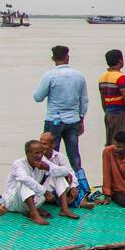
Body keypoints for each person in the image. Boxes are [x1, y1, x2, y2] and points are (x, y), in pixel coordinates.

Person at [33, 45, 88, 176]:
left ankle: (50, 183)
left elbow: (38, 97)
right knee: (74, 155)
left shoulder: (50, 76)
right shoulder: (79, 76)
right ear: (68, 57)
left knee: (49, 154)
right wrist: (81, 120)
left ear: (53, 58)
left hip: (54, 121)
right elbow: (84, 101)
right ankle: (81, 184)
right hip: (73, 120)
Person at [3, 139, 79, 224]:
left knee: (58, 175)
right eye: (36, 153)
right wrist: (45, 191)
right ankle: (34, 215)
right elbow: (25, 179)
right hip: (13, 203)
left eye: (41, 152)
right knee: (25, 181)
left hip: (34, 202)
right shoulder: (18, 164)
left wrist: (47, 167)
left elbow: (65, 171)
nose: (40, 155)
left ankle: (64, 209)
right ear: (27, 153)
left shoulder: (42, 161)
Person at [97, 49, 125, 145]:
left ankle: (109, 160)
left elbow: (102, 99)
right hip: (121, 114)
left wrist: (107, 112)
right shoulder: (121, 77)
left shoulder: (102, 78)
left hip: (109, 113)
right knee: (121, 143)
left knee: (110, 143)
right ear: (120, 61)